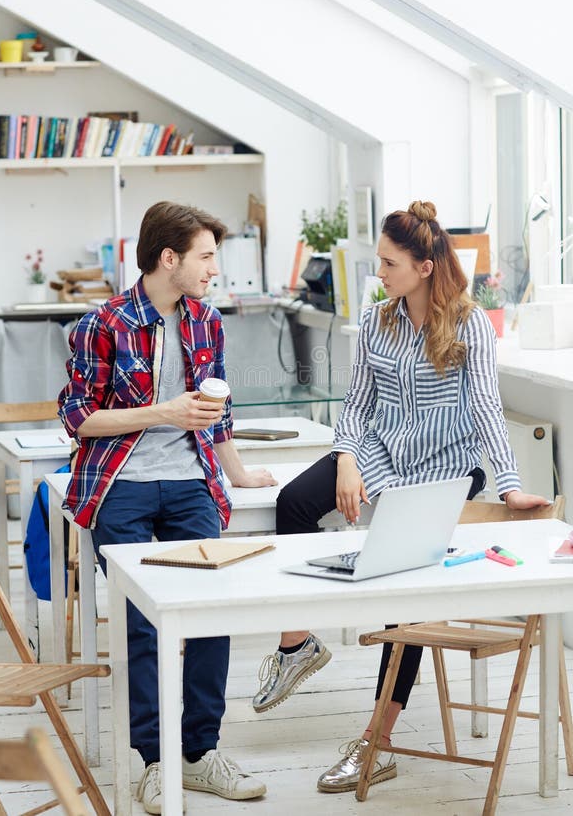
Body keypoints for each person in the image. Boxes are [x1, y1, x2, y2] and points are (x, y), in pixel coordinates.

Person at [252, 200, 549, 793]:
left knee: (404, 592)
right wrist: (347, 458)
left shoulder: (469, 325)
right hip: (380, 455)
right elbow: (357, 404)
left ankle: (377, 742)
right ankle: (297, 644)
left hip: (444, 471)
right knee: (293, 503)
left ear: (426, 265)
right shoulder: (378, 321)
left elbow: (489, 409)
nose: (380, 274)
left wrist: (510, 487)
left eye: (389, 263)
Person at [59, 201, 277, 814]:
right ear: (169, 258)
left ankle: (199, 753)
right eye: (207, 257)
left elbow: (219, 413)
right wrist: (163, 412)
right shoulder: (101, 325)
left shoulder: (208, 323)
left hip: (191, 484)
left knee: (212, 613)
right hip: (121, 485)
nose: (215, 270)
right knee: (144, 622)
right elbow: (80, 420)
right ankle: (154, 763)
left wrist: (236, 473)